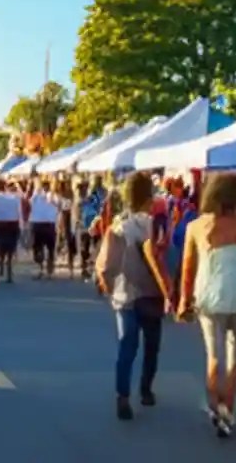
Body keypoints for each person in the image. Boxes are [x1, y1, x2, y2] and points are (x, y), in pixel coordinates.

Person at [176, 172, 236, 438]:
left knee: (214, 356)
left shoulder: (196, 227)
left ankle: (216, 407)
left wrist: (184, 300)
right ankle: (228, 410)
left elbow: (188, 267)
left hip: (209, 295)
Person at [97, 172, 170, 421]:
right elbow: (168, 259)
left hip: (124, 294)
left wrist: (108, 287)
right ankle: (146, 389)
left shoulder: (117, 227)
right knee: (152, 346)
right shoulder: (156, 226)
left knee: (126, 347)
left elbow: (106, 266)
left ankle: (123, 396)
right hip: (151, 294)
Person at [27, 181, 59, 279]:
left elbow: (29, 203)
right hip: (46, 224)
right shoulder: (38, 196)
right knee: (44, 248)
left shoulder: (51, 196)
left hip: (41, 224)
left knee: (43, 248)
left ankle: (45, 268)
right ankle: (45, 269)